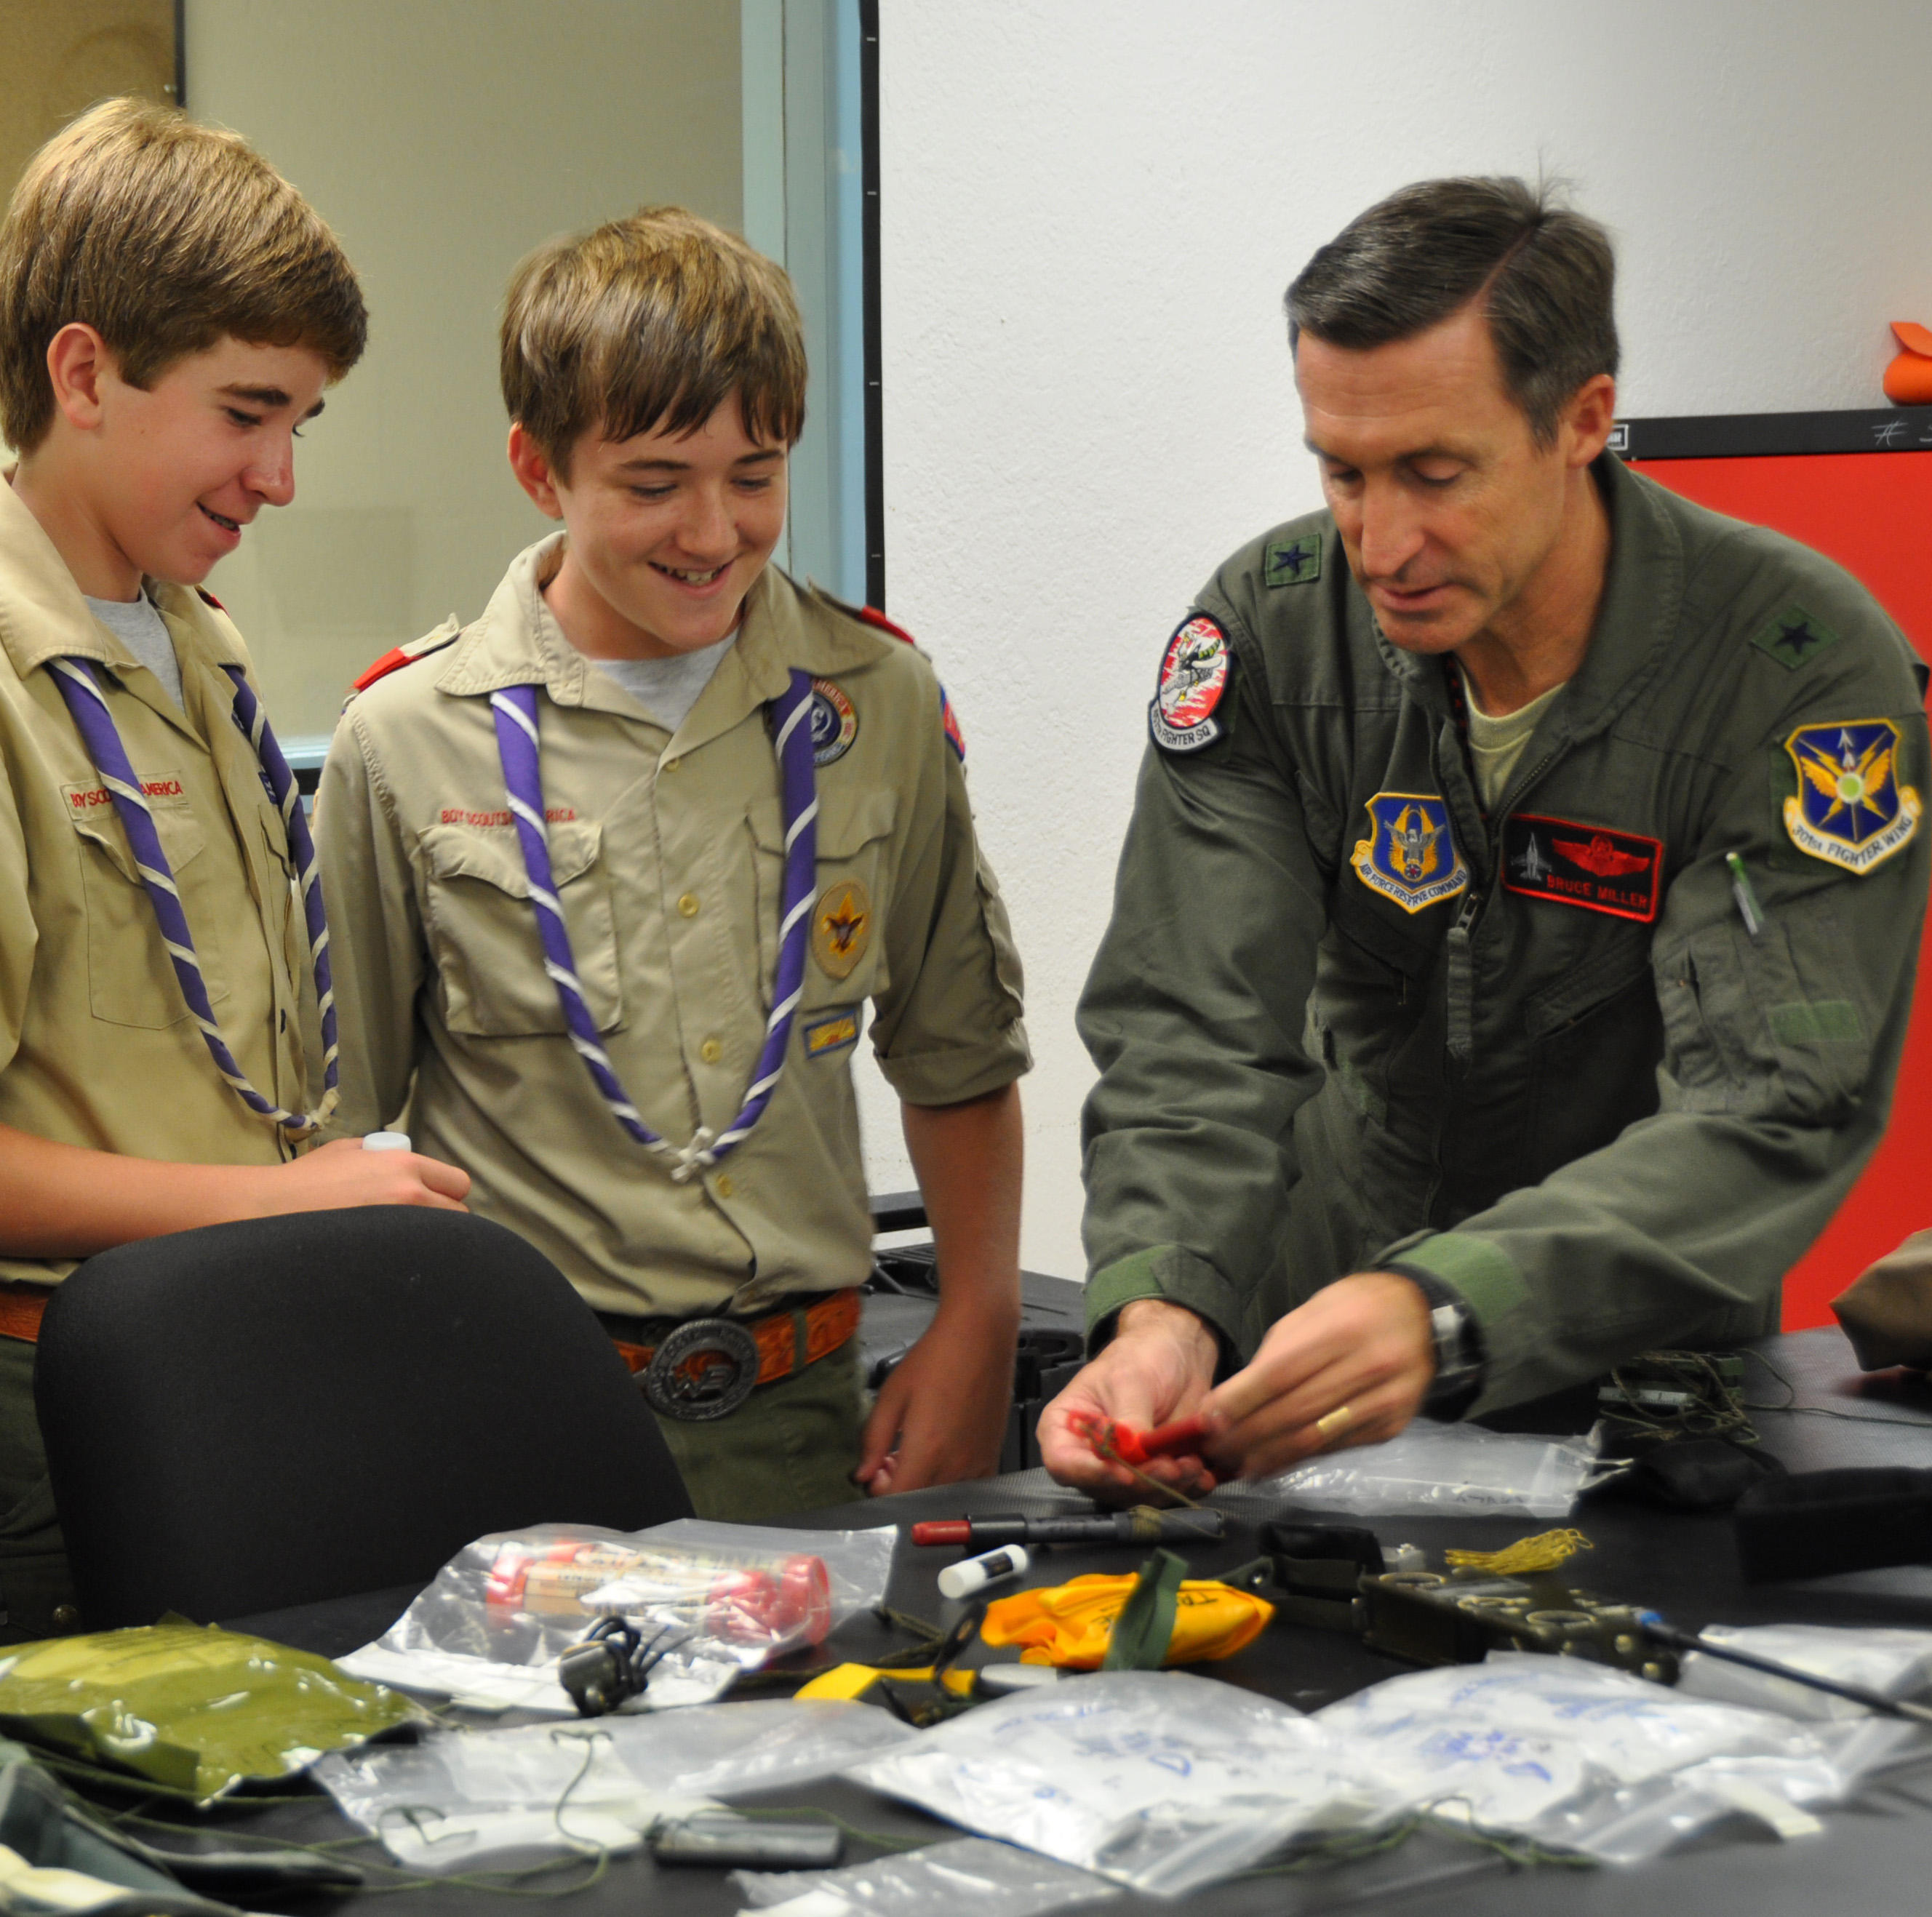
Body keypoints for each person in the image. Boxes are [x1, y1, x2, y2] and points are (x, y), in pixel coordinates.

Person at [1042, 177, 1931, 1500]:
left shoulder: (1791, 670)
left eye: (1436, 473)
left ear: (1583, 420)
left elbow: (1770, 1108)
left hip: (1649, 1388)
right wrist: (1164, 1311)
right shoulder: (1274, 632)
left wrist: (1452, 1307)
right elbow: (1194, 1027)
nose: (1381, 543)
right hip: (1302, 1359)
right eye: (1343, 473)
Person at [0, 99, 469, 1677]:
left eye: (302, 424)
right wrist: (282, 1202)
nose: (279, 477)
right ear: (84, 375)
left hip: (224, 1359)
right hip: (33, 1418)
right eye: (246, 413)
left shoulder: (194, 639)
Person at [319, 208, 1034, 1522]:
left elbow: (959, 1052)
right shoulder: (405, 738)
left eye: (754, 476)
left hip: (808, 1420)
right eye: (653, 484)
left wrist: (979, 1322)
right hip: (518, 1413)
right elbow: (327, 1129)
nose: (712, 532)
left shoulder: (876, 699)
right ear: (539, 469)